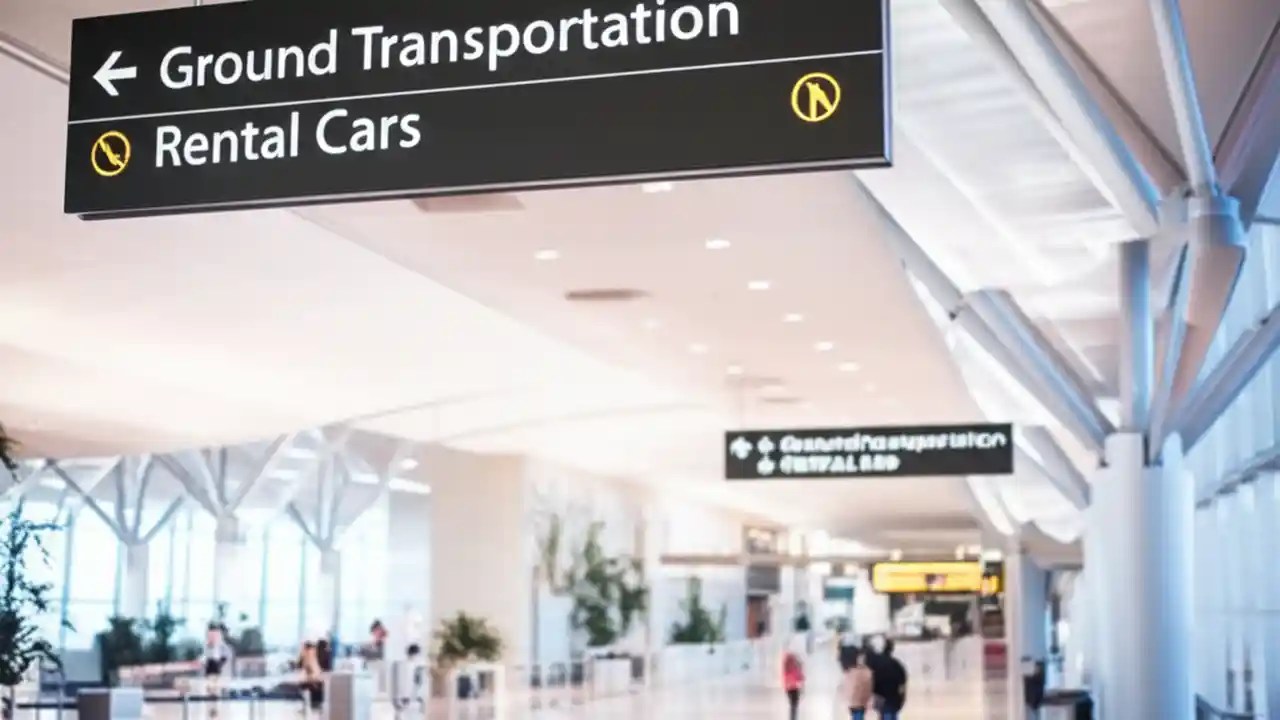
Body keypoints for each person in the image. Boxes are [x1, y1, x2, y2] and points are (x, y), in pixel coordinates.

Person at [872, 639, 908, 720]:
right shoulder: (896, 664)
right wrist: (902, 698)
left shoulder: (875, 663)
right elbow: (902, 683)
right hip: (893, 699)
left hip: (880, 698)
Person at [839, 649, 874, 720]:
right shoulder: (866, 671)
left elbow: (849, 688)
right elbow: (869, 687)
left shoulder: (851, 672)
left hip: (855, 702)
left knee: (857, 716)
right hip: (861, 702)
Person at [782, 651, 805, 720]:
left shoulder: (787, 666)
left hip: (789, 687)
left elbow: (785, 677)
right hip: (795, 687)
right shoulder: (796, 666)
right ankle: (793, 717)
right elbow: (800, 677)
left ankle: (792, 717)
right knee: (794, 705)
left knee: (793, 704)